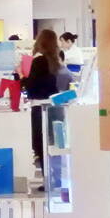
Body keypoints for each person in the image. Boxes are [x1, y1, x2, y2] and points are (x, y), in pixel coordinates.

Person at [22, 29, 73, 179]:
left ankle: (48, 179)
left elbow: (32, 86)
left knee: (40, 145)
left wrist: (22, 79)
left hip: (40, 108)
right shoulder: (57, 61)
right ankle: (56, 178)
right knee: (55, 145)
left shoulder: (38, 61)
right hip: (56, 108)